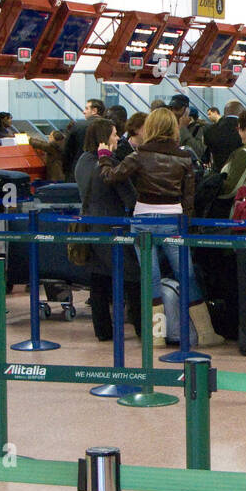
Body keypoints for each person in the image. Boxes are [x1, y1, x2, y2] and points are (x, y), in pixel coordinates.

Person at [98, 107, 216, 344]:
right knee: (187, 275)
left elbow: (111, 176)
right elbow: (189, 197)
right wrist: (186, 224)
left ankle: (157, 336)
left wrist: (103, 157)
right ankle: (205, 333)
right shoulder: (183, 156)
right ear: (173, 127)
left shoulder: (139, 154)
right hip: (173, 219)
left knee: (150, 278)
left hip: (142, 220)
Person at [75, 118, 139, 341]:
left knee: (99, 281)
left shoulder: (82, 161)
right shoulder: (107, 164)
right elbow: (130, 197)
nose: (118, 138)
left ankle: (103, 331)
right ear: (103, 138)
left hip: (90, 225)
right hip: (114, 227)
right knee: (133, 277)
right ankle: (142, 328)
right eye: (114, 134)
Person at [203, 100, 244, 169]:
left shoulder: (210, 130)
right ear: (242, 114)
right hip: (239, 171)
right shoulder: (245, 129)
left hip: (218, 172)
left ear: (225, 113)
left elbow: (207, 151)